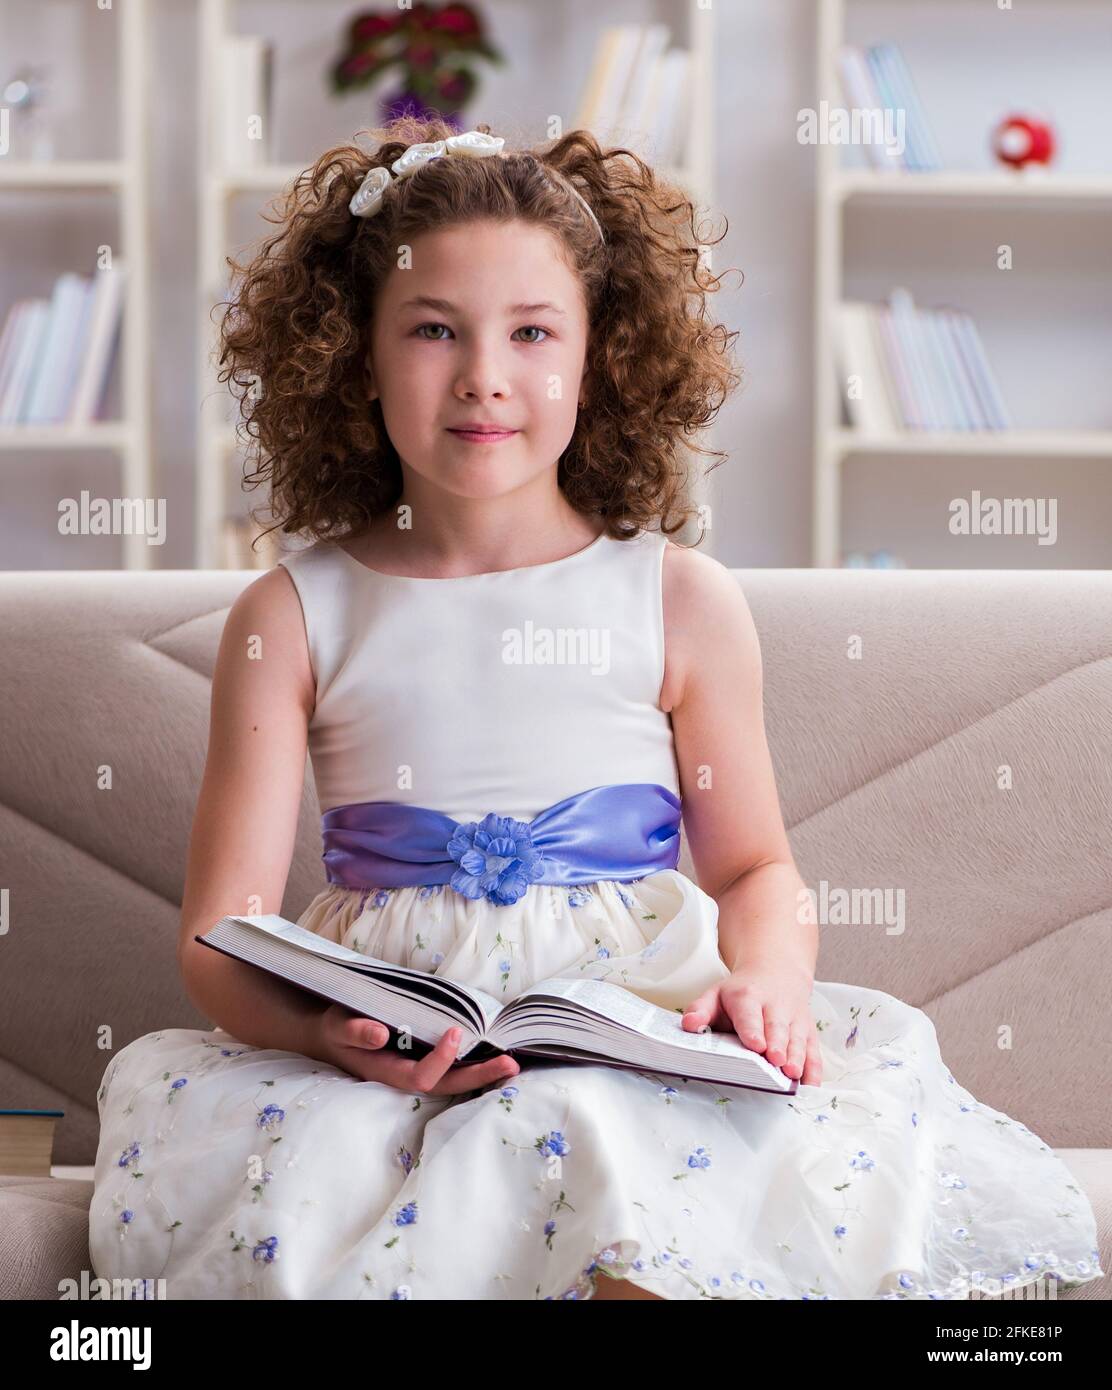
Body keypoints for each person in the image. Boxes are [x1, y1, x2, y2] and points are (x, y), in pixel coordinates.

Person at [89, 119, 1103, 1301]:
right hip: (399, 1066)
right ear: (355, 357)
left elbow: (759, 868)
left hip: (630, 1026)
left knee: (623, 1180)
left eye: (531, 332)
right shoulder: (294, 613)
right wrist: (324, 1036)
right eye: (432, 330)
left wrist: (764, 980)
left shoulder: (675, 599)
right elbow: (223, 934)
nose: (483, 374)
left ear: (601, 356)